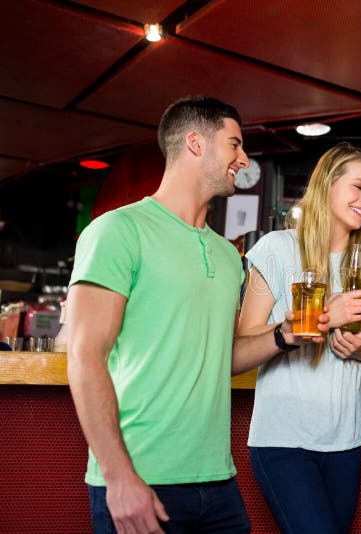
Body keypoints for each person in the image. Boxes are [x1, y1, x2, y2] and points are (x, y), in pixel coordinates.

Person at [67, 96, 252, 533]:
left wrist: (287, 336)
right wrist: (118, 477)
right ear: (195, 143)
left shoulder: (228, 256)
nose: (244, 159)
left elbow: (219, 359)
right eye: (234, 145)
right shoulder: (119, 230)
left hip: (219, 482)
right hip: (140, 477)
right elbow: (84, 357)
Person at [234, 143, 361, 534]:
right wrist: (327, 314)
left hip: (348, 440)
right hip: (282, 439)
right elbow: (240, 349)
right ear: (327, 183)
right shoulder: (277, 249)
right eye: (358, 187)